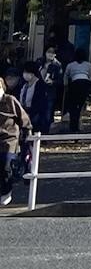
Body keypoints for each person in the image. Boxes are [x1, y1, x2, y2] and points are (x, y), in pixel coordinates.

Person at [0, 74, 32, 207]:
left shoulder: (10, 101)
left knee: (6, 166)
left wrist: (28, 130)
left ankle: (7, 191)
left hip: (9, 139)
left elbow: (23, 117)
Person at [19, 62, 53, 136]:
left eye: (27, 72)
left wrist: (30, 113)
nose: (25, 74)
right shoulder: (24, 85)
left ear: (32, 73)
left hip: (35, 115)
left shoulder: (40, 85)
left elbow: (40, 103)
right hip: (23, 112)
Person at [63, 51, 91, 133]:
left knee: (73, 105)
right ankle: (78, 122)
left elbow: (66, 75)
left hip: (75, 83)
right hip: (85, 83)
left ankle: (73, 126)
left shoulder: (70, 65)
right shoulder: (89, 65)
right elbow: (90, 76)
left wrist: (65, 86)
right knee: (80, 104)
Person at [40, 46, 65, 113]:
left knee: (48, 113)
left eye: (52, 52)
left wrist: (52, 82)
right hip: (39, 90)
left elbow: (60, 81)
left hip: (50, 92)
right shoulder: (40, 61)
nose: (50, 54)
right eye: (49, 52)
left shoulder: (57, 65)